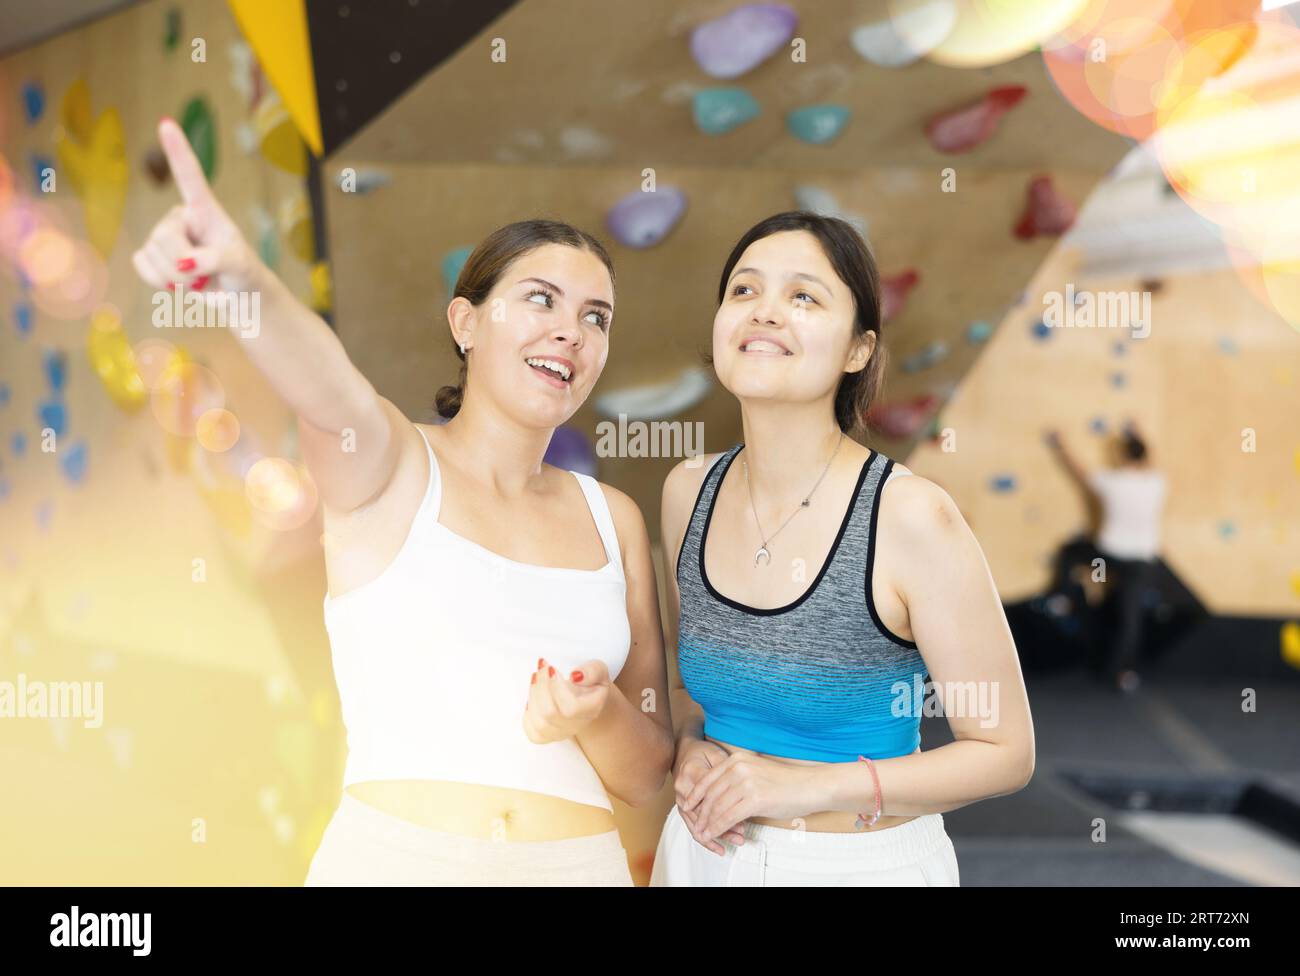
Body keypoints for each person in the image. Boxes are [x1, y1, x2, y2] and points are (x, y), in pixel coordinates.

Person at [133, 118, 673, 885]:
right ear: (466, 322)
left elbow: (648, 769)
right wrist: (241, 281)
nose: (571, 332)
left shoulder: (611, 518)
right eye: (541, 300)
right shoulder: (390, 464)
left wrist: (596, 714)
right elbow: (329, 392)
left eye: (596, 318)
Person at [650, 211, 1035, 886]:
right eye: (744, 291)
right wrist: (689, 750)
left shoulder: (909, 517)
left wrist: (811, 788)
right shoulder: (688, 491)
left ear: (859, 349)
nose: (766, 312)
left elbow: (1005, 751)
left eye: (804, 297)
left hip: (853, 866)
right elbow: (685, 690)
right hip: (699, 857)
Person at [1046, 422, 1167, 693]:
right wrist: (1138, 433)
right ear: (1143, 456)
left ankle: (1061, 597)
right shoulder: (1157, 482)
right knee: (1130, 618)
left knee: (1070, 553)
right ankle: (1121, 673)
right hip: (1142, 560)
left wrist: (1059, 444)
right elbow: (1148, 460)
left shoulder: (1112, 481)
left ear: (1122, 456)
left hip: (1109, 554)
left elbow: (1079, 471)